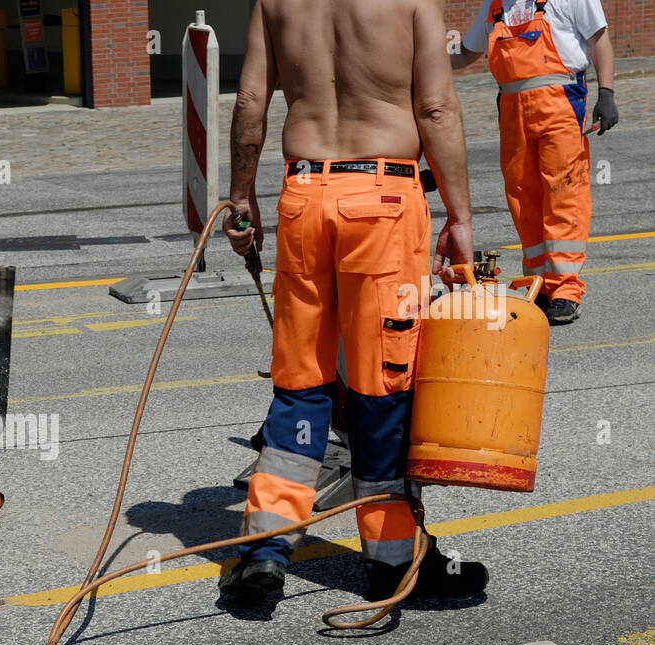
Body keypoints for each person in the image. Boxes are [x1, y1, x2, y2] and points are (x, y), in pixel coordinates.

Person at [220, 0, 488, 604]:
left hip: (304, 192)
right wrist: (460, 215)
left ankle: (264, 552)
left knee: (300, 381)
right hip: (384, 200)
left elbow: (249, 101)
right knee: (381, 388)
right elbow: (436, 106)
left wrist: (242, 196)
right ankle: (393, 565)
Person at [451, 0, 617, 325]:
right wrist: (423, 54)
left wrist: (607, 93)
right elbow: (467, 52)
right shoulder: (494, 5)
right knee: (522, 196)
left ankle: (565, 291)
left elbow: (600, 39)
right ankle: (539, 284)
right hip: (512, 107)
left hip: (560, 101)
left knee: (564, 195)